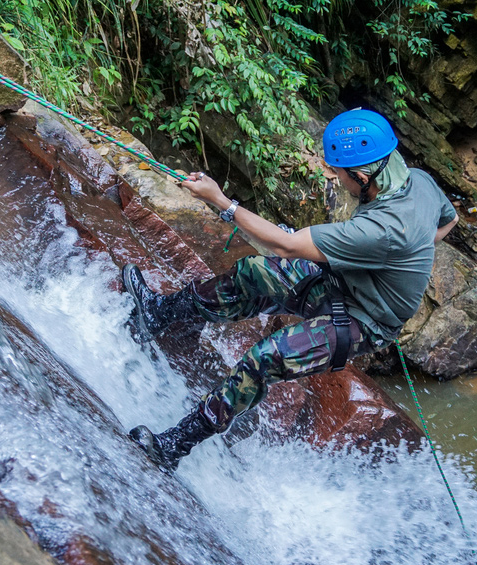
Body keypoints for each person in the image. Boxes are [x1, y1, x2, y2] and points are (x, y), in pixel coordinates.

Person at [121, 108, 459, 472]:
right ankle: (158, 315)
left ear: (362, 176)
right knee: (253, 272)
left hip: (367, 322)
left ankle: (174, 445)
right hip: (344, 283)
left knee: (265, 358)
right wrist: (398, 262)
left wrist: (220, 200)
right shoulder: (419, 181)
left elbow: (284, 245)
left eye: (338, 173)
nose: (336, 177)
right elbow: (449, 220)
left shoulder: (383, 230)